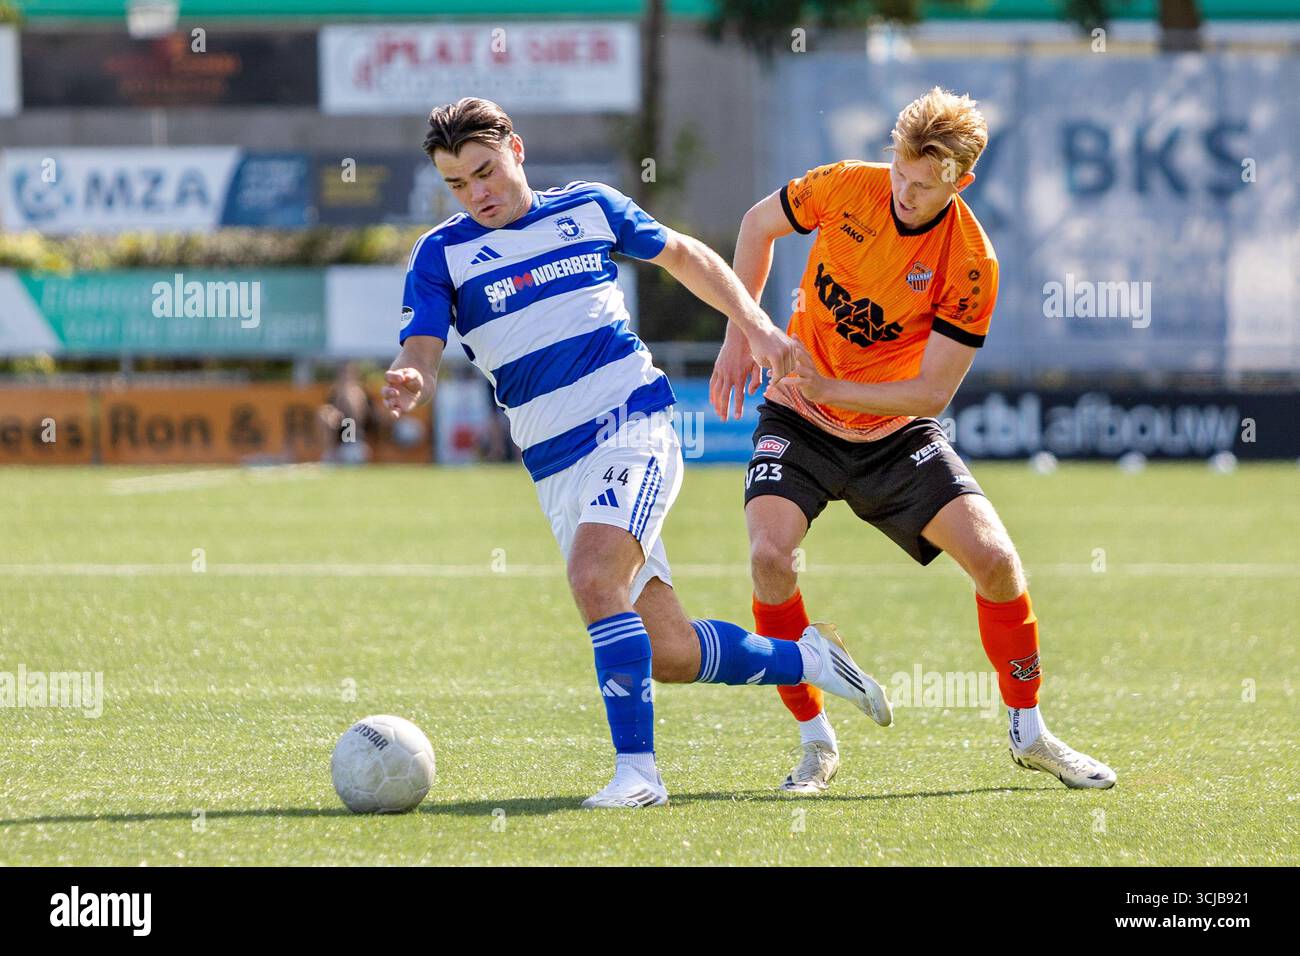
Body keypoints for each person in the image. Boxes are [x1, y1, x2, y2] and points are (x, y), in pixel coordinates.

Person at [381, 97, 892, 809]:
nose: (477, 193)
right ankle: (809, 658)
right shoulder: (442, 253)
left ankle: (639, 776)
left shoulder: (589, 207)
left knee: (595, 579)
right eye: (458, 184)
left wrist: (756, 328)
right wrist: (414, 375)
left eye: (485, 171)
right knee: (671, 651)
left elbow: (684, 255)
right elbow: (424, 345)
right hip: (556, 468)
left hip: (635, 426)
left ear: (516, 151)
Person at [711, 87, 1116, 793]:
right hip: (796, 418)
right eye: (900, 170)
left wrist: (836, 390)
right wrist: (741, 334)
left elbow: (931, 394)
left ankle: (1031, 733)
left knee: (996, 562)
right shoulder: (845, 186)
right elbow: (754, 226)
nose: (905, 190)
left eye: (926, 185)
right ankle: (815, 741)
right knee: (770, 557)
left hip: (894, 433)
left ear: (963, 180)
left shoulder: (971, 263)